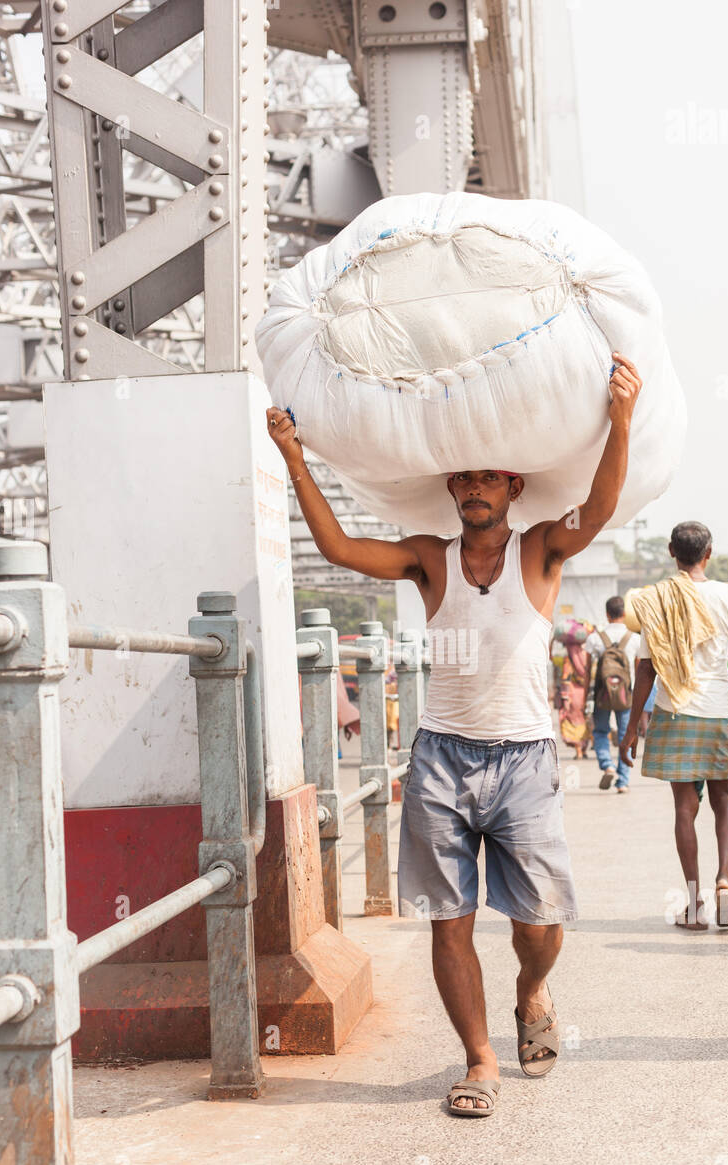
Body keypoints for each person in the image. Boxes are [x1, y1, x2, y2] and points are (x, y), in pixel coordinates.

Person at [267, 351, 643, 1115]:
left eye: (489, 478)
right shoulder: (426, 560)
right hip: (440, 756)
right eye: (463, 478)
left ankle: (532, 990)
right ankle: (478, 1063)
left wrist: (621, 416)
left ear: (513, 487)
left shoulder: (540, 549)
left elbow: (598, 510)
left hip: (526, 758)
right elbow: (340, 551)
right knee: (450, 920)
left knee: (539, 922)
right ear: (452, 488)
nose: (475, 488)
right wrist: (293, 459)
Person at [619, 521, 728, 929]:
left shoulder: (657, 597)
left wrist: (631, 729)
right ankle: (725, 878)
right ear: (709, 553)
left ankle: (695, 904)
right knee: (725, 800)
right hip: (718, 711)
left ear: (670, 551)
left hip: (674, 709)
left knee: (685, 808)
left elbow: (645, 668)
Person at [583, 595, 640, 792]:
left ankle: (607, 764)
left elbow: (587, 671)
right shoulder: (634, 639)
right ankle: (623, 782)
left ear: (607, 614)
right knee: (626, 735)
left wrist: (585, 697)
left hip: (602, 695)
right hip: (626, 695)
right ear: (624, 614)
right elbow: (640, 672)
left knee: (600, 731)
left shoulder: (594, 638)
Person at [554, 619, 593, 758]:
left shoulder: (569, 658)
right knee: (584, 720)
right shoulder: (586, 655)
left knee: (572, 721)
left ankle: (578, 750)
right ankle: (584, 748)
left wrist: (565, 697)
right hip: (585, 692)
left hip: (572, 693)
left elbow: (566, 677)